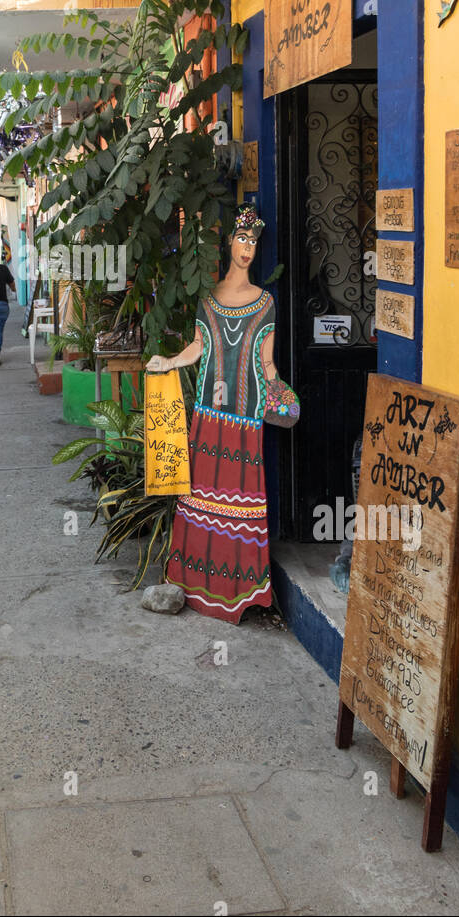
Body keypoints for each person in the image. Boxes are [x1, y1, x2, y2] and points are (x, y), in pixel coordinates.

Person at [146, 206, 278, 623]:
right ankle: (195, 582)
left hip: (246, 416)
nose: (248, 249)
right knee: (201, 495)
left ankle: (241, 589)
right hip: (209, 413)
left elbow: (266, 361)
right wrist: (168, 362)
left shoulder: (265, 302)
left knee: (242, 501)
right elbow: (199, 347)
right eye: (242, 239)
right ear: (229, 243)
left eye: (254, 242)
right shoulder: (208, 300)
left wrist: (281, 394)